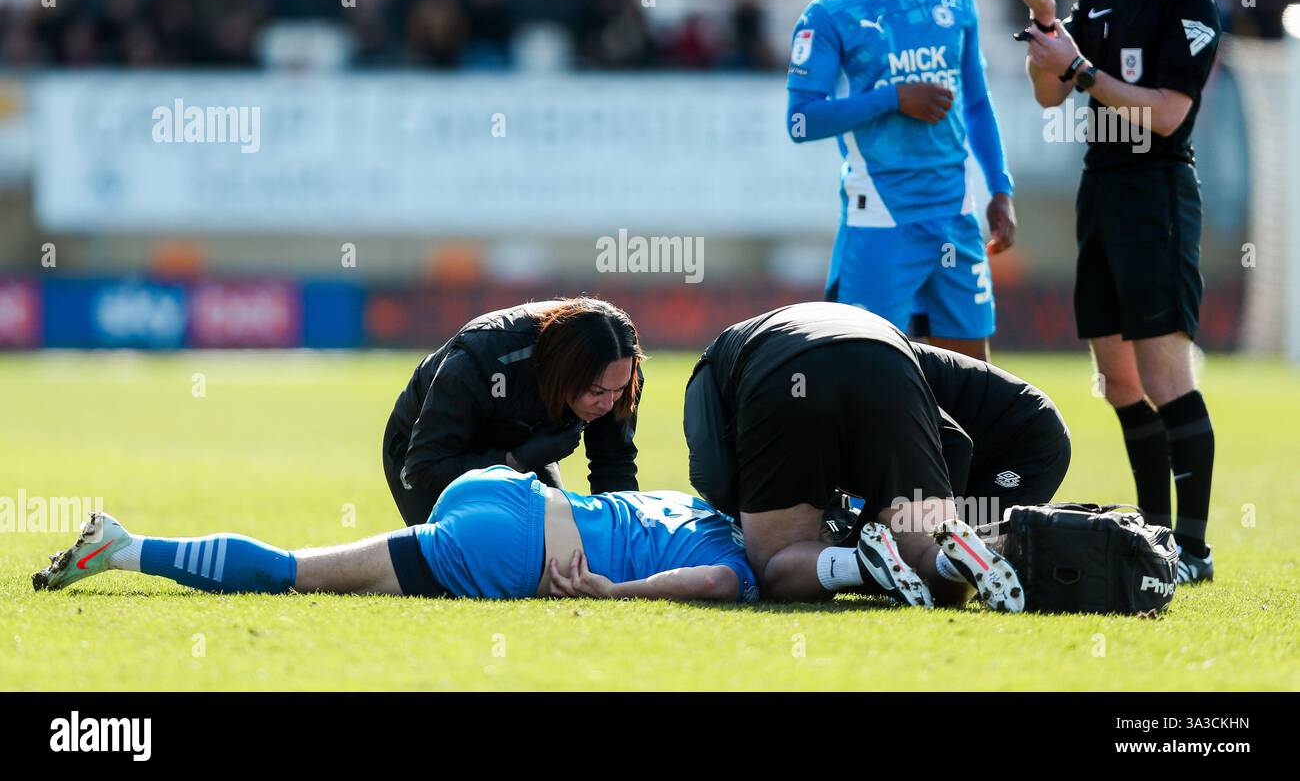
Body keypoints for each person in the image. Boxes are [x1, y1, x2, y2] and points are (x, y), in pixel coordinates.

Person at [1008, 0, 1221, 583]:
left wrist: (1080, 69)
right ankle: (1156, 535)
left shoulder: (1188, 4)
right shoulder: (1095, 2)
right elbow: (1046, 94)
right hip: (1099, 190)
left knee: (1166, 378)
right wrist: (1046, 27)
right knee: (1120, 382)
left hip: (1155, 194)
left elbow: (1165, 114)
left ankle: (1193, 548)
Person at [786, 0, 1015, 361]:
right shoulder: (830, 14)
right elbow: (801, 121)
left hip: (956, 215)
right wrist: (893, 98)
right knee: (874, 380)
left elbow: (976, 105)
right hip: (880, 220)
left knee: (970, 384)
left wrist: (999, 188)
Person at [684, 302, 1069, 611]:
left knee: (776, 565)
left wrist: (762, 518)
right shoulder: (856, 344)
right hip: (886, 356)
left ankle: (859, 562)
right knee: (926, 550)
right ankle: (951, 560)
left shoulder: (714, 366)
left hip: (783, 369)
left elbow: (712, 474)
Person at [32, 466, 758, 603]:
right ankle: (124, 549)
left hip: (498, 488)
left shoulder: (691, 502)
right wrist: (614, 590)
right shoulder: (734, 552)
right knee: (297, 572)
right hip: (513, 549)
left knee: (300, 566)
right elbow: (720, 582)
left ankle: (123, 546)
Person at [383, 297, 644, 526]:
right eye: (596, 392)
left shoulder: (618, 366)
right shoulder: (480, 357)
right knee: (462, 566)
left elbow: (614, 464)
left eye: (618, 390)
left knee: (552, 554)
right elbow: (424, 466)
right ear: (563, 371)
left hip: (525, 447)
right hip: (425, 451)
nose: (609, 404)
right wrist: (516, 461)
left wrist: (624, 543)